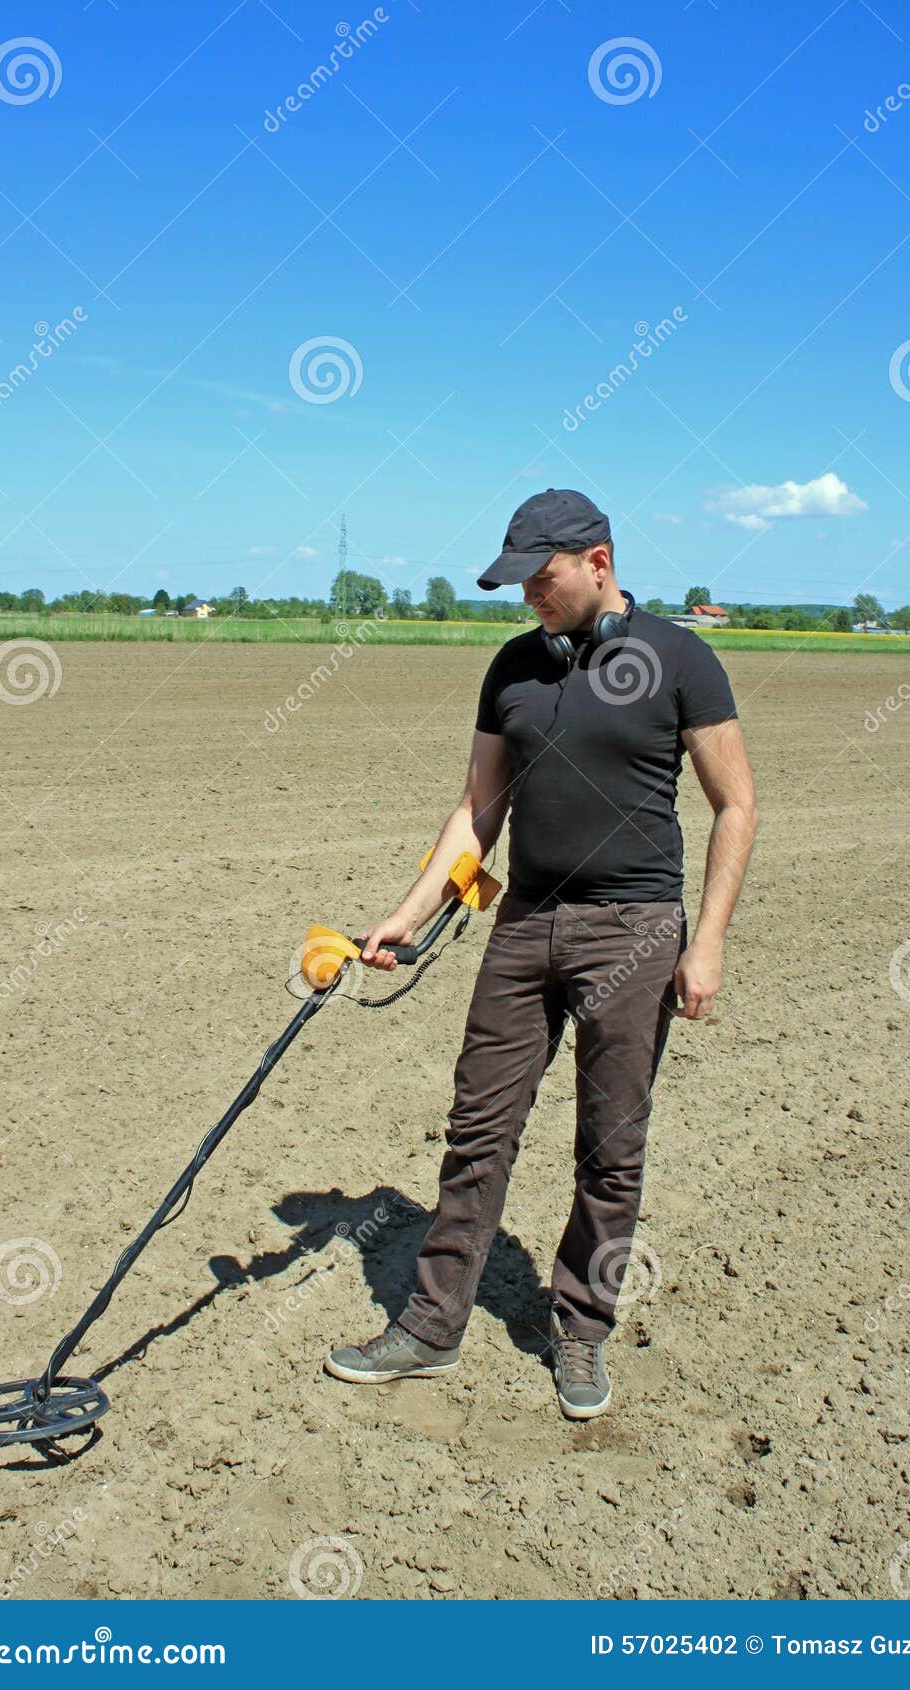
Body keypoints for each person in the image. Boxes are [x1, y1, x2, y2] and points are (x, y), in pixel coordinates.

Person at [325, 489, 757, 1419]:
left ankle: (581, 1331)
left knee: (610, 1148)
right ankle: (432, 1327)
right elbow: (479, 806)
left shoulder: (681, 659)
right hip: (523, 924)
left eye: (542, 577)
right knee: (477, 1128)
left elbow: (736, 805)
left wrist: (708, 940)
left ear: (598, 559)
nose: (528, 597)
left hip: (634, 932)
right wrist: (411, 908)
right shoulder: (513, 666)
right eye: (518, 580)